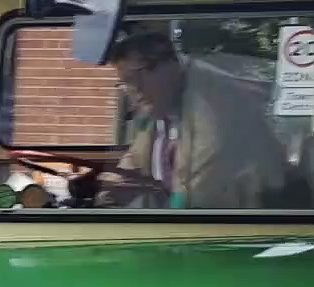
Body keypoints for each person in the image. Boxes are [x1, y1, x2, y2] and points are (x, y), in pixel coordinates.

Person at [109, 29, 291, 209]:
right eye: (125, 82)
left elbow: (197, 197)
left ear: (169, 64)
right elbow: (136, 157)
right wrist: (110, 189)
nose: (133, 89)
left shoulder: (214, 104)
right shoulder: (163, 106)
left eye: (135, 77)